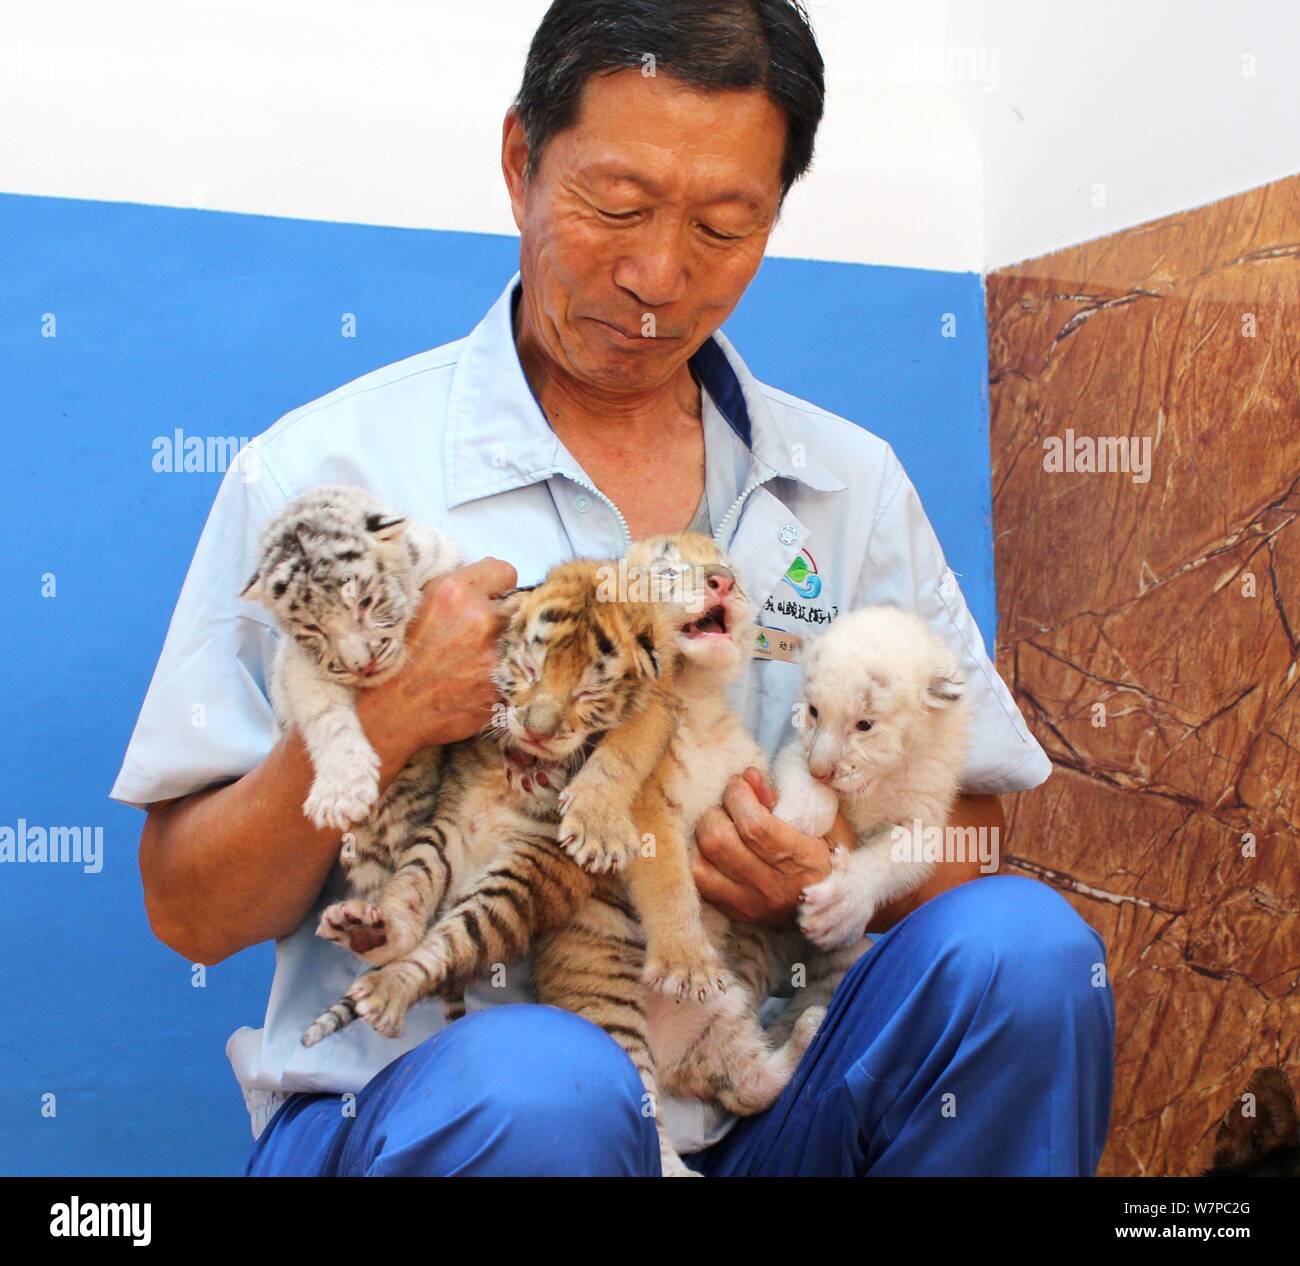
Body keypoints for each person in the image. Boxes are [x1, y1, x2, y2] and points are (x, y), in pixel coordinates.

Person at [112, 0, 1114, 1177]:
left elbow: (975, 835)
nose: (657, 278)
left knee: (1025, 955)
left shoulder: (847, 488)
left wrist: (834, 877)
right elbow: (189, 907)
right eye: (617, 207)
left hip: (742, 1101)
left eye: (725, 227)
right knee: (545, 1087)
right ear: (519, 163)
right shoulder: (331, 475)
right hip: (436, 1116)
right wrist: (383, 719)